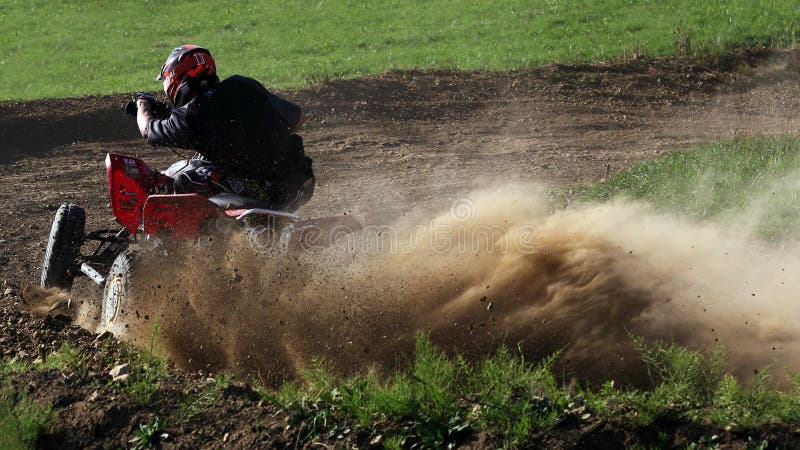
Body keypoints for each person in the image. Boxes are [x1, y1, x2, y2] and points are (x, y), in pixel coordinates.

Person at [133, 45, 314, 211]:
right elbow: (298, 119)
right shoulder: (243, 84)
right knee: (207, 161)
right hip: (301, 183)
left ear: (174, 79)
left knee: (188, 178)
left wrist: (142, 103)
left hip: (269, 192)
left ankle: (188, 242)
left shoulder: (189, 116)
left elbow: (148, 130)